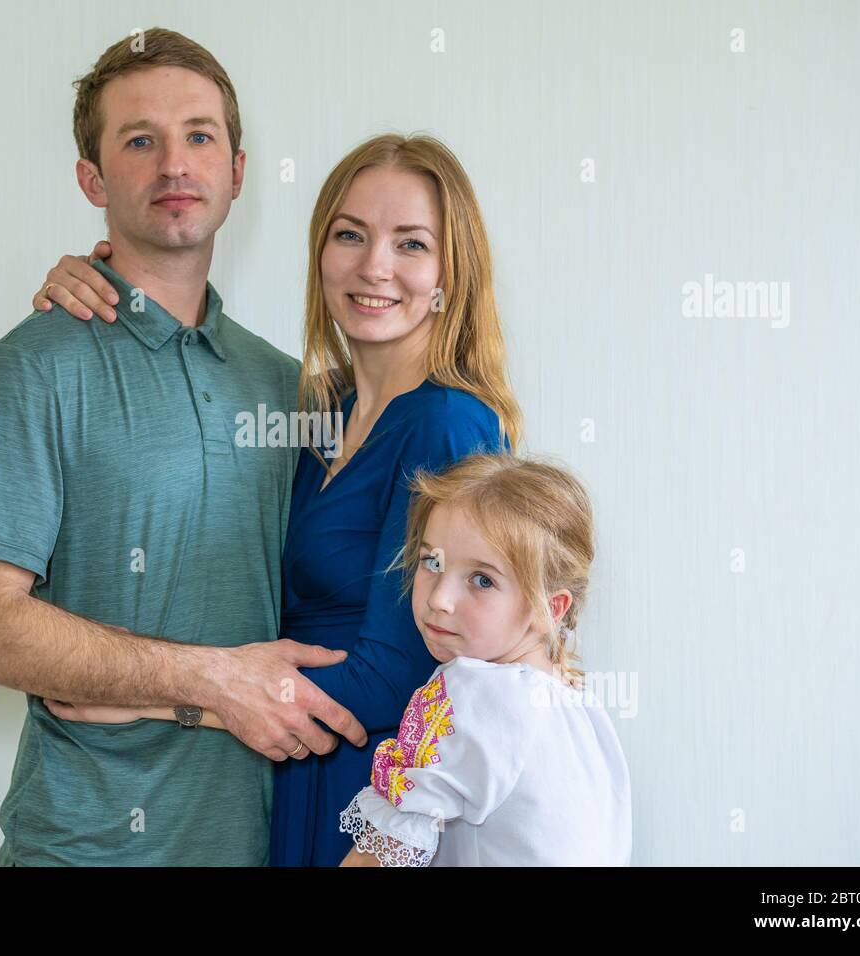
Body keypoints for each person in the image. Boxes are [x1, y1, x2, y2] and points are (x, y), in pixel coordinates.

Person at [0, 28, 366, 867]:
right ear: (92, 179)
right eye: (140, 141)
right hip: (84, 849)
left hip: (265, 843)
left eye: (200, 135)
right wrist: (206, 686)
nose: (175, 164)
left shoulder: (293, 391)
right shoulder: (31, 367)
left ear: (238, 171)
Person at [37, 133, 529, 865]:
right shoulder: (312, 410)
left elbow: (398, 674)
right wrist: (105, 287)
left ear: (449, 278)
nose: (374, 267)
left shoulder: (448, 423)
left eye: (411, 244)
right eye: (350, 235)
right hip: (281, 779)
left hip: (372, 797)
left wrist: (154, 698)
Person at [337, 453, 632, 866]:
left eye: (482, 580)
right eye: (431, 562)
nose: (439, 599)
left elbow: (381, 856)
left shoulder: (473, 694)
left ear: (551, 608)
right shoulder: (582, 709)